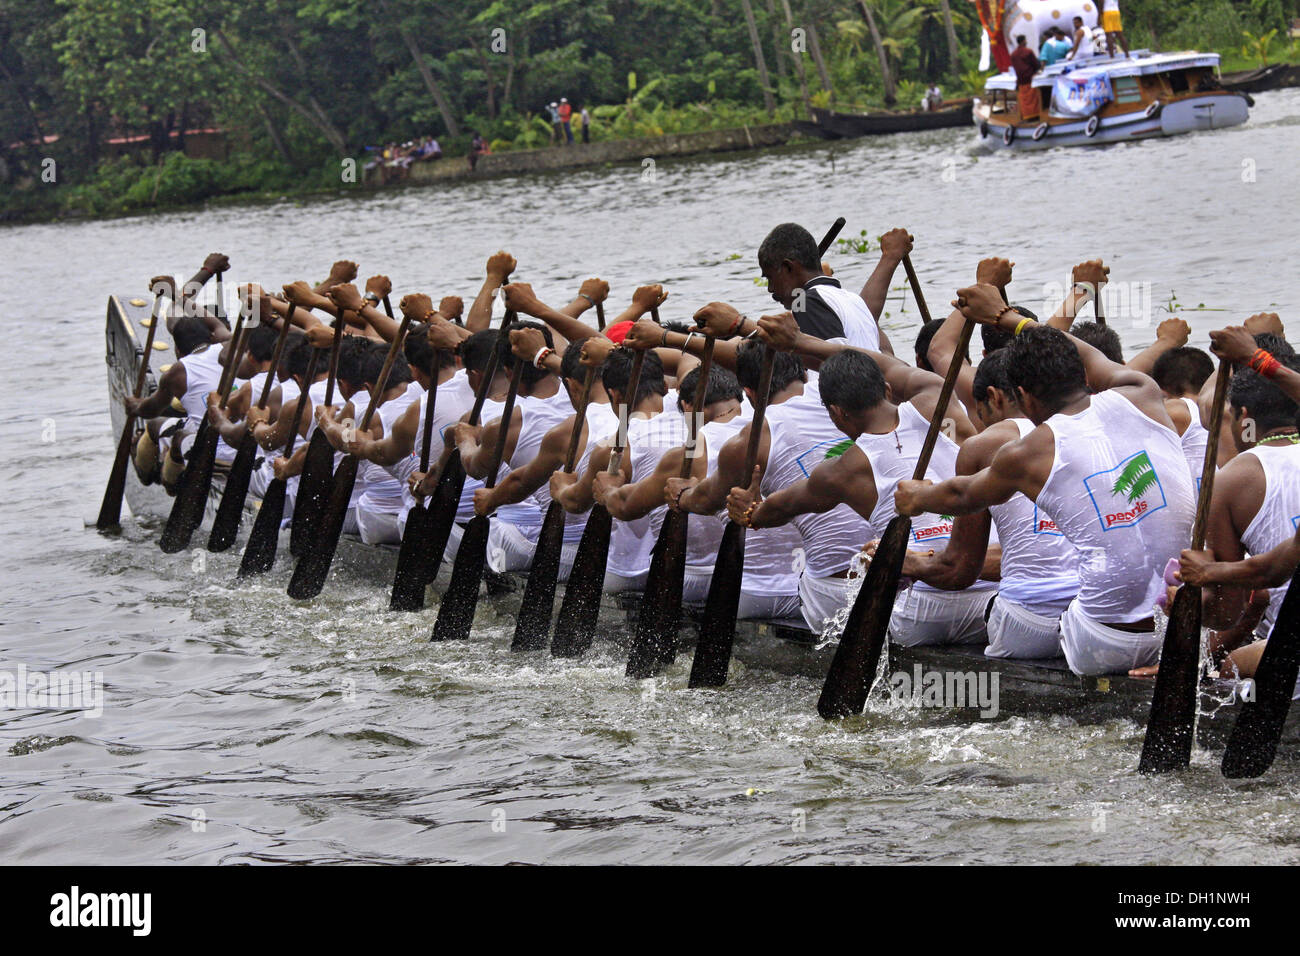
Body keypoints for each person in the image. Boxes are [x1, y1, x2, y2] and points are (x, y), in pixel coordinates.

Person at [894, 285, 1196, 676]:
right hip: (1180, 629)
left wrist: (920, 498)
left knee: (1026, 607)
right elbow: (1085, 352)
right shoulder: (1144, 392)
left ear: (1024, 397)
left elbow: (963, 494)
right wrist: (1007, 318)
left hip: (1102, 643)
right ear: (1085, 374)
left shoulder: (1027, 453)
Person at [1009, 35, 1042, 122]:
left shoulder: (1013, 55)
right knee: (1033, 98)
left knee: (1024, 100)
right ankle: (1036, 115)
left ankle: (1026, 116)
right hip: (1030, 79)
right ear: (1023, 41)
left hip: (1021, 80)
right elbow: (1035, 64)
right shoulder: (1028, 52)